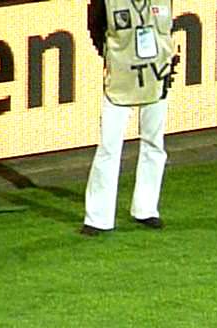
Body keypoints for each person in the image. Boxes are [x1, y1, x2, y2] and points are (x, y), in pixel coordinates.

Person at [81, 0, 178, 236]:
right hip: (121, 80)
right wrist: (115, 60)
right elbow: (95, 29)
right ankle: (98, 218)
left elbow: (168, 29)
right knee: (109, 147)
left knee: (154, 143)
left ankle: (146, 209)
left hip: (156, 76)